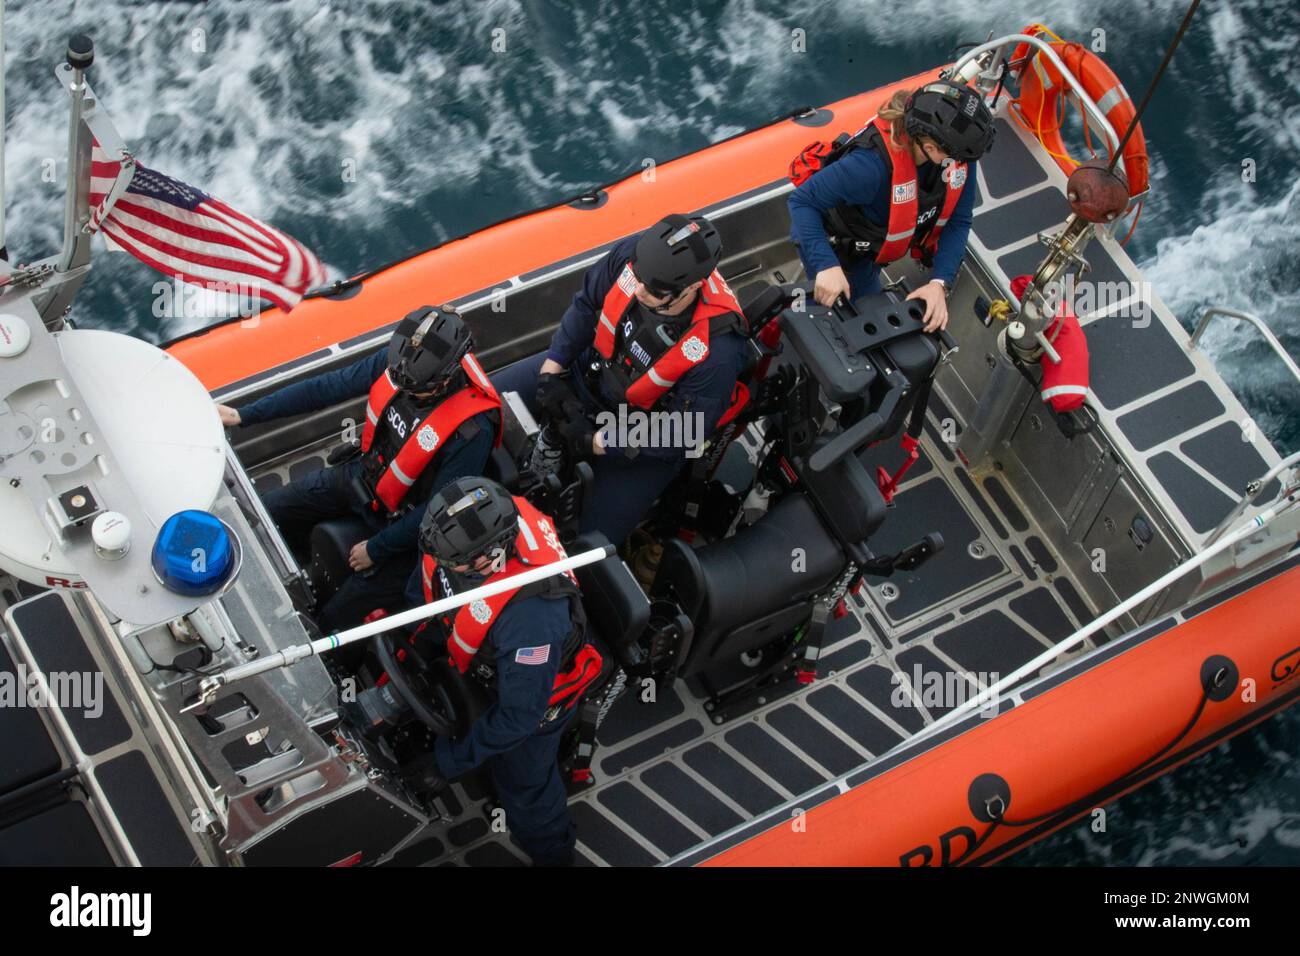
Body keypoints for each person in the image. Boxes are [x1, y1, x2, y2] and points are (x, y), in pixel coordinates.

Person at [216, 306, 502, 630]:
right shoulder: (402, 365)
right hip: (362, 477)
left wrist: (377, 550)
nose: (404, 390)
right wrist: (245, 415)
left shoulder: (471, 432)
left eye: (415, 388)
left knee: (341, 613)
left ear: (443, 380)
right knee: (266, 510)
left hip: (406, 524)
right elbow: (326, 388)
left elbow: (437, 511)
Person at [493, 213, 749, 546]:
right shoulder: (636, 258)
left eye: (654, 290)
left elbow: (681, 433)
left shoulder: (719, 349)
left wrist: (597, 441)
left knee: (589, 544)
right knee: (486, 399)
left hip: (641, 434)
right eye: (639, 279)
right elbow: (586, 305)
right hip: (587, 373)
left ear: (692, 287)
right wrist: (551, 373)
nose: (639, 289)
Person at [413, 478, 598, 867]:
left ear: (487, 558)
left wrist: (448, 764)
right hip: (484, 658)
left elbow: (518, 716)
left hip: (535, 700)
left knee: (526, 786)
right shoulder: (478, 520)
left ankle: (554, 854)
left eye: (455, 564)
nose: (447, 566)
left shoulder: (532, 620)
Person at [787, 78, 995, 331]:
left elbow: (959, 220)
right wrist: (825, 265)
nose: (965, 163)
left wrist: (938, 283)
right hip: (838, 247)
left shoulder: (958, 152)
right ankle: (786, 326)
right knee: (839, 324)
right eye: (959, 158)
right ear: (930, 148)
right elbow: (801, 202)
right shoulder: (869, 167)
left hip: (877, 246)